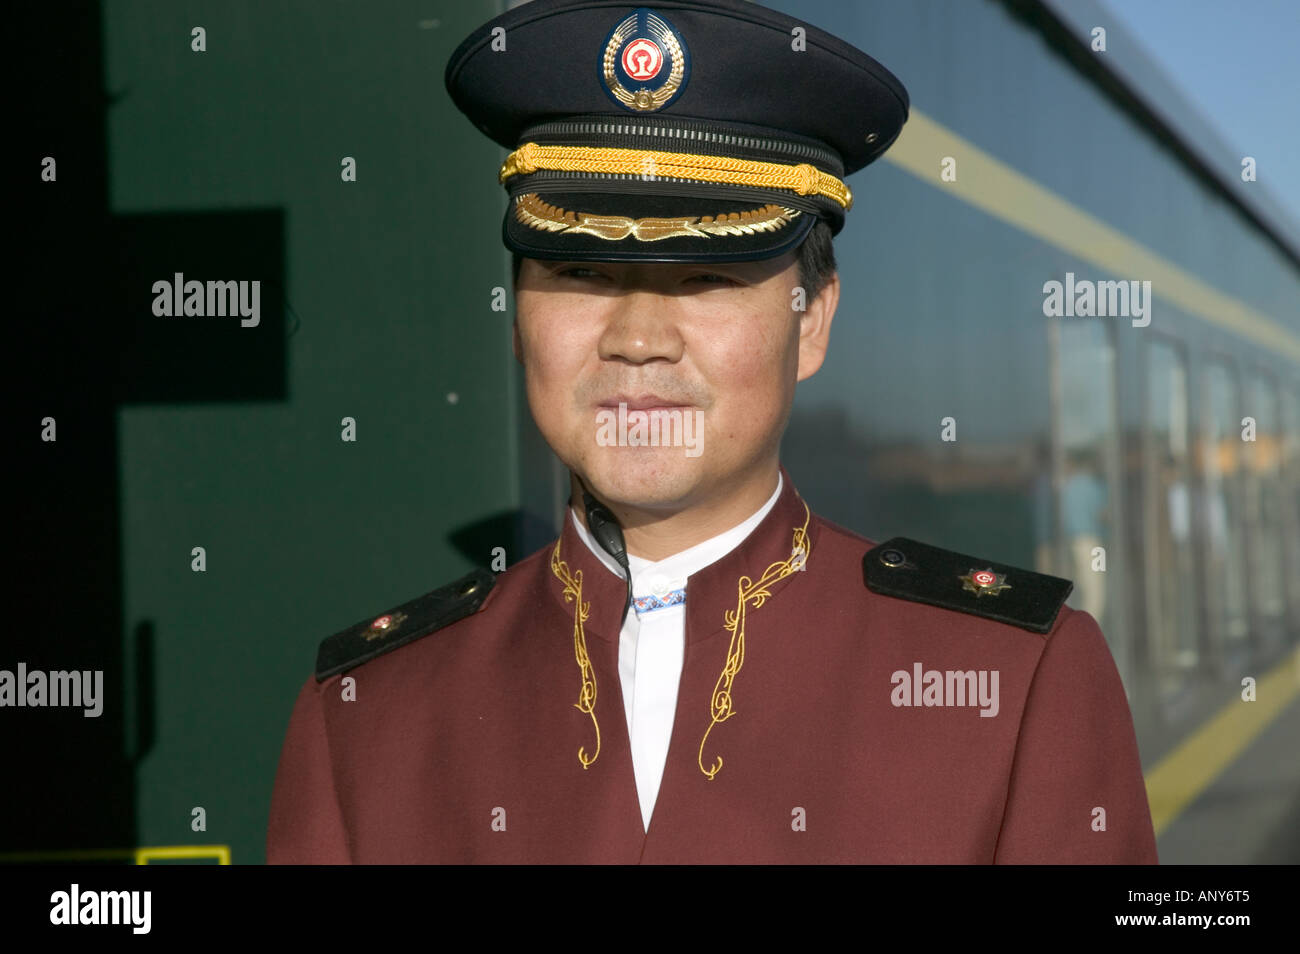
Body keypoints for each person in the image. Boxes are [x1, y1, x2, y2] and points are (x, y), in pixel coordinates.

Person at [267, 0, 1157, 863]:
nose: (639, 340)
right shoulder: (366, 713)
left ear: (811, 321)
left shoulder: (1014, 686)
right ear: (516, 316)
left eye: (706, 278)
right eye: (581, 270)